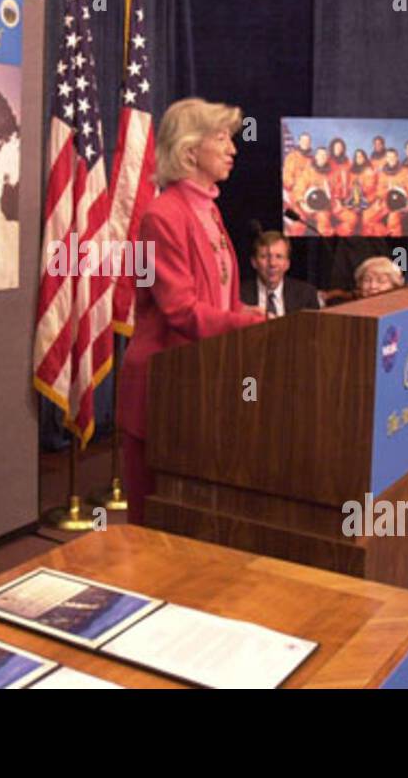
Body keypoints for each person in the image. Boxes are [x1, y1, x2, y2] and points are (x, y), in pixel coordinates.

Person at [116, 99, 265, 524]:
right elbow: (180, 309)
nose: (233, 149)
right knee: (156, 526)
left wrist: (242, 311)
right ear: (189, 149)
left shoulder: (209, 209)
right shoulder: (162, 215)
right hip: (164, 389)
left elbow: (219, 295)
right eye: (222, 139)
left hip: (203, 382)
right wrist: (247, 322)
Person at [241, 230, 322, 316]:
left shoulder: (306, 295)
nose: (272, 263)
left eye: (279, 256)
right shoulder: (239, 296)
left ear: (287, 264)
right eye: (264, 257)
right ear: (254, 262)